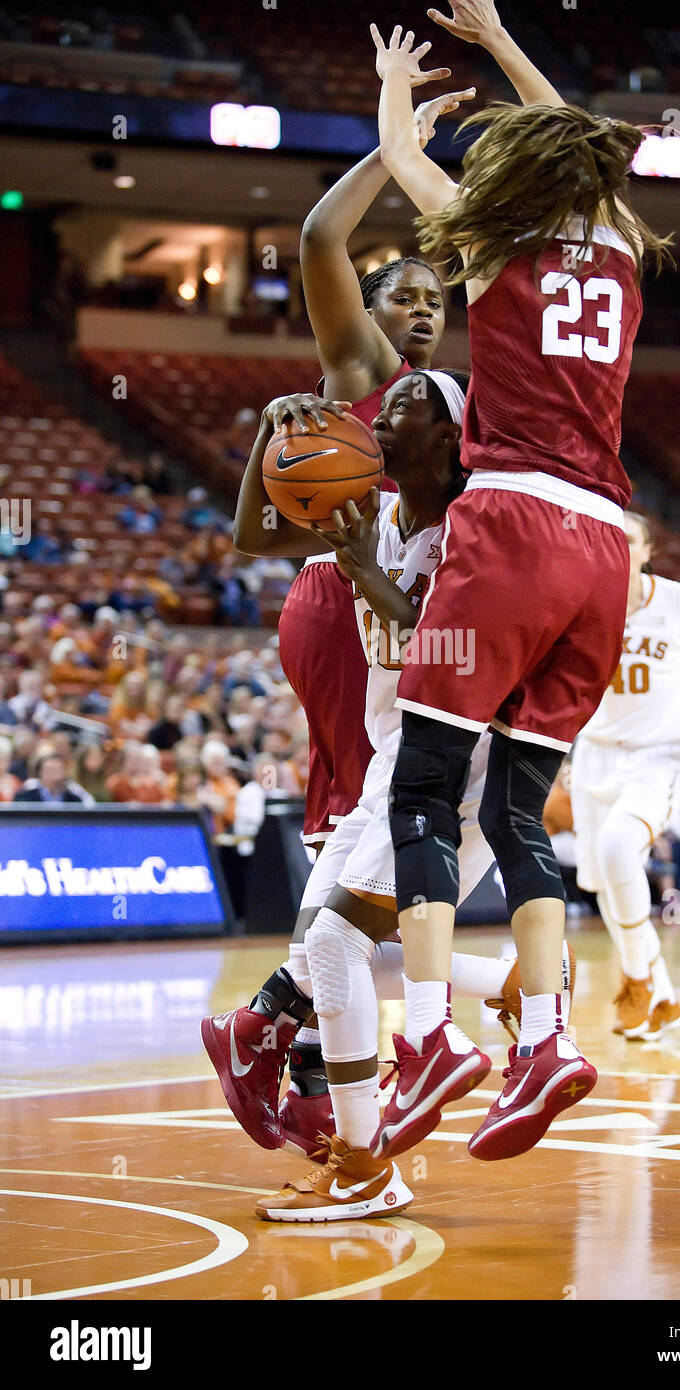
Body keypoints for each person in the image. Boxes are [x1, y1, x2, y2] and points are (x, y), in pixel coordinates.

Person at [367, 7, 673, 1163]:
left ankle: (432, 1039)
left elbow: (402, 161)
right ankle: (546, 1042)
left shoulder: (493, 244)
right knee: (520, 811)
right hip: (605, 549)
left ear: (516, 174)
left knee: (425, 789)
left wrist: (400, 86)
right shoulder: (622, 245)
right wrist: (501, 41)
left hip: (513, 525)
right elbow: (586, 144)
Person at [203, 373, 575, 1217]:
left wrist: (366, 572)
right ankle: (371, 1118)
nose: (385, 415)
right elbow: (255, 530)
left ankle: (365, 1159)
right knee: (321, 944)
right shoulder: (370, 508)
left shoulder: (477, 531)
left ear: (452, 438)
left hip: (461, 766)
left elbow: (448, 652)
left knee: (334, 944)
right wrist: (272, 433)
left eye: (409, 407)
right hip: (386, 766)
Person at [232, 79, 474, 854]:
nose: (427, 308)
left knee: (402, 833)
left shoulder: (448, 397)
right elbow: (318, 238)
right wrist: (393, 152)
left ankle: (502, 961)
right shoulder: (368, 367)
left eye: (437, 298)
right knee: (365, 834)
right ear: (366, 314)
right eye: (405, 296)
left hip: (406, 598)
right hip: (347, 604)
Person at [570, 513, 680, 1039]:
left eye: (630, 540)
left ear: (647, 550)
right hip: (596, 755)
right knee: (602, 884)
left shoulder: (678, 601)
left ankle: (637, 977)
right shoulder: (582, 600)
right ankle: (662, 998)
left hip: (662, 754)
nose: (619, 548)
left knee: (620, 851)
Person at [14, 750, 85, 804]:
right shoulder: (24, 798)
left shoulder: (74, 800)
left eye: (57, 770)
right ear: (39, 772)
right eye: (49, 770)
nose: (52, 775)